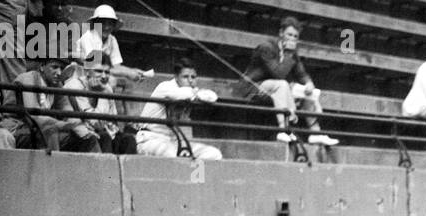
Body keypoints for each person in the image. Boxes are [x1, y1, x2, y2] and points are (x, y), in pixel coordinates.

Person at [237, 15, 337, 146]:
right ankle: (283, 130)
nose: (292, 39)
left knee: (307, 92)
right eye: (289, 34)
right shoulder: (266, 47)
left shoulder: (292, 52)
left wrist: (309, 84)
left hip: (275, 90)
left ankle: (315, 133)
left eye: (295, 36)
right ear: (281, 33)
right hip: (252, 88)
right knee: (282, 85)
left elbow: (302, 74)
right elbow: (278, 74)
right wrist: (289, 54)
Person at [0, 58, 98, 150]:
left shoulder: (57, 85)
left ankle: (102, 167)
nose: (59, 73)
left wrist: (81, 128)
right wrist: (68, 125)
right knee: (52, 131)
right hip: (16, 128)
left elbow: (68, 112)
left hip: (38, 130)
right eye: (54, 67)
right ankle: (53, 166)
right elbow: (35, 114)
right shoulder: (28, 78)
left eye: (62, 68)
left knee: (88, 138)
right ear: (42, 66)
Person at [135, 59, 222, 159]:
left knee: (213, 154)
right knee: (171, 156)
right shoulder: (165, 86)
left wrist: (196, 93)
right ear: (176, 77)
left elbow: (212, 96)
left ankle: (191, 174)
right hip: (149, 138)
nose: (190, 80)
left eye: (193, 77)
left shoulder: (192, 93)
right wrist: (197, 93)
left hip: (173, 141)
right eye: (185, 77)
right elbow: (179, 94)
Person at [61, 59, 135, 153]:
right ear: (87, 71)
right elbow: (96, 123)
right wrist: (102, 94)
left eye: (107, 72)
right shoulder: (75, 86)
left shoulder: (106, 87)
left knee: (129, 139)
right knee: (104, 137)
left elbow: (112, 121)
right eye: (99, 71)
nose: (104, 76)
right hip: (79, 136)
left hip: (102, 132)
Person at [75, 5, 147, 86]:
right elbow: (95, 68)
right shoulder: (88, 37)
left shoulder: (112, 39)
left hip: (98, 76)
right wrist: (127, 73)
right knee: (112, 81)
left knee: (117, 81)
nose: (106, 27)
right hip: (81, 77)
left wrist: (133, 71)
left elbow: (116, 66)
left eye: (110, 24)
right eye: (103, 23)